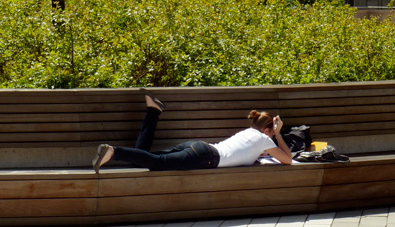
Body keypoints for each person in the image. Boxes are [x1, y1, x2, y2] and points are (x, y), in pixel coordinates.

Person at [92, 95, 293, 172]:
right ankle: (112, 152)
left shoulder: (248, 133)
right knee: (156, 163)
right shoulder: (261, 138)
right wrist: (279, 134)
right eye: (272, 133)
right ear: (267, 130)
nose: (273, 136)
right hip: (205, 157)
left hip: (199, 147)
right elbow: (287, 160)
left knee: (146, 160)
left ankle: (153, 111)